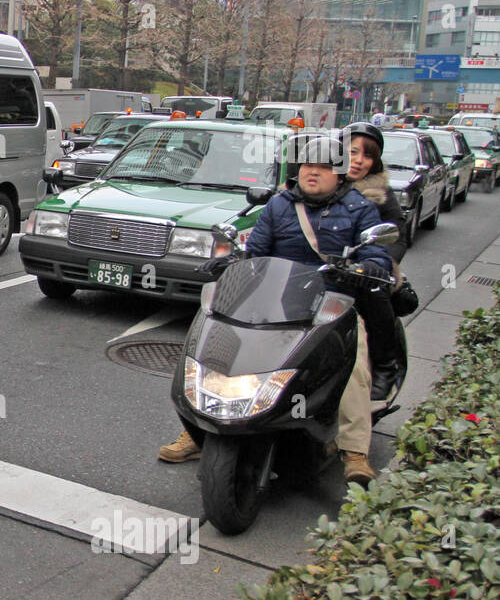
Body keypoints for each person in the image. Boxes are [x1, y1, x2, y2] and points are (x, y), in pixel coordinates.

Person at [158, 132, 393, 485]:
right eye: (308, 165)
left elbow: (377, 252)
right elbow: (255, 251)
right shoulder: (280, 205)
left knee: (356, 366)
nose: (313, 172)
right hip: (272, 299)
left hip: (330, 303)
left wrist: (371, 265)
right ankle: (196, 432)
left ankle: (355, 451)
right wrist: (226, 263)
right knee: (210, 353)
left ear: (340, 173)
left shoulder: (359, 208)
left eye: (324, 166)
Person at [342, 122, 405, 401]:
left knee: (374, 292)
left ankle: (384, 367)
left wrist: (381, 265)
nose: (358, 160)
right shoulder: (314, 181)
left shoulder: (380, 194)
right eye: (352, 151)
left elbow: (397, 234)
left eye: (367, 156)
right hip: (316, 265)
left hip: (362, 269)